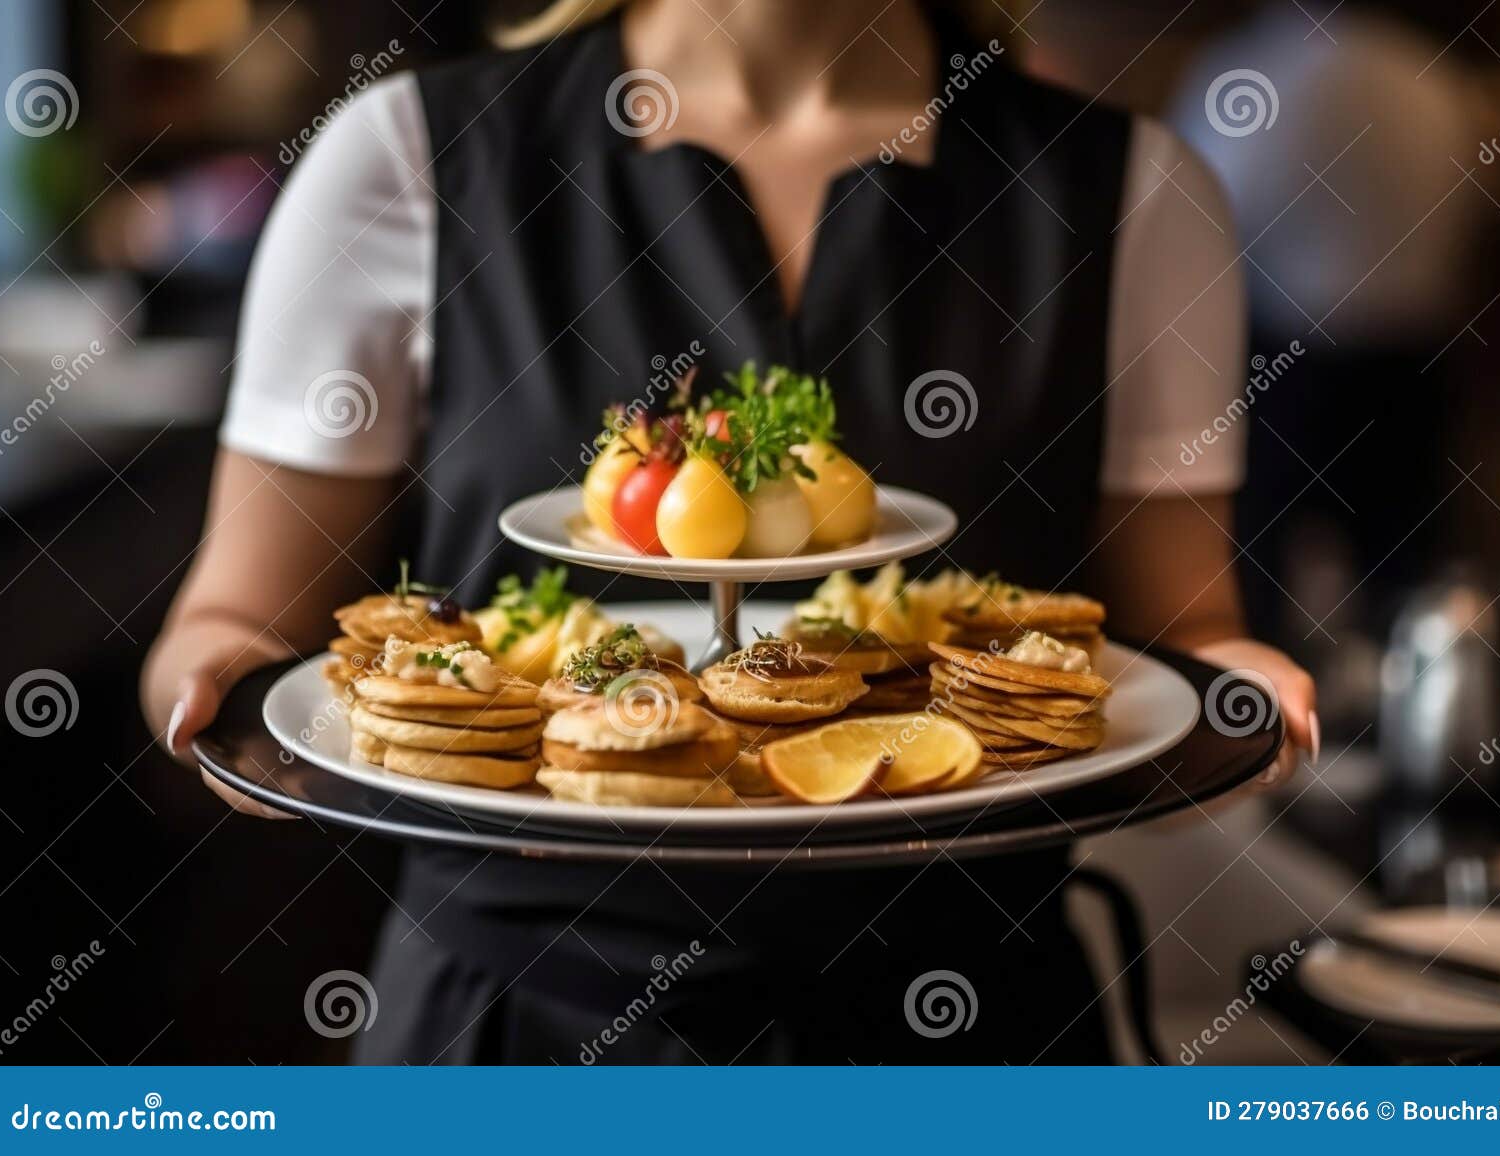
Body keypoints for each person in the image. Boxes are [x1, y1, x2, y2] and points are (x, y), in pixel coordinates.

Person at [142, 0, 1315, 1063]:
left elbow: (1180, 633)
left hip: (968, 1025)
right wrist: (217, 680)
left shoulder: (1130, 187)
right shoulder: (404, 156)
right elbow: (238, 618)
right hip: (516, 1031)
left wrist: (1236, 696)